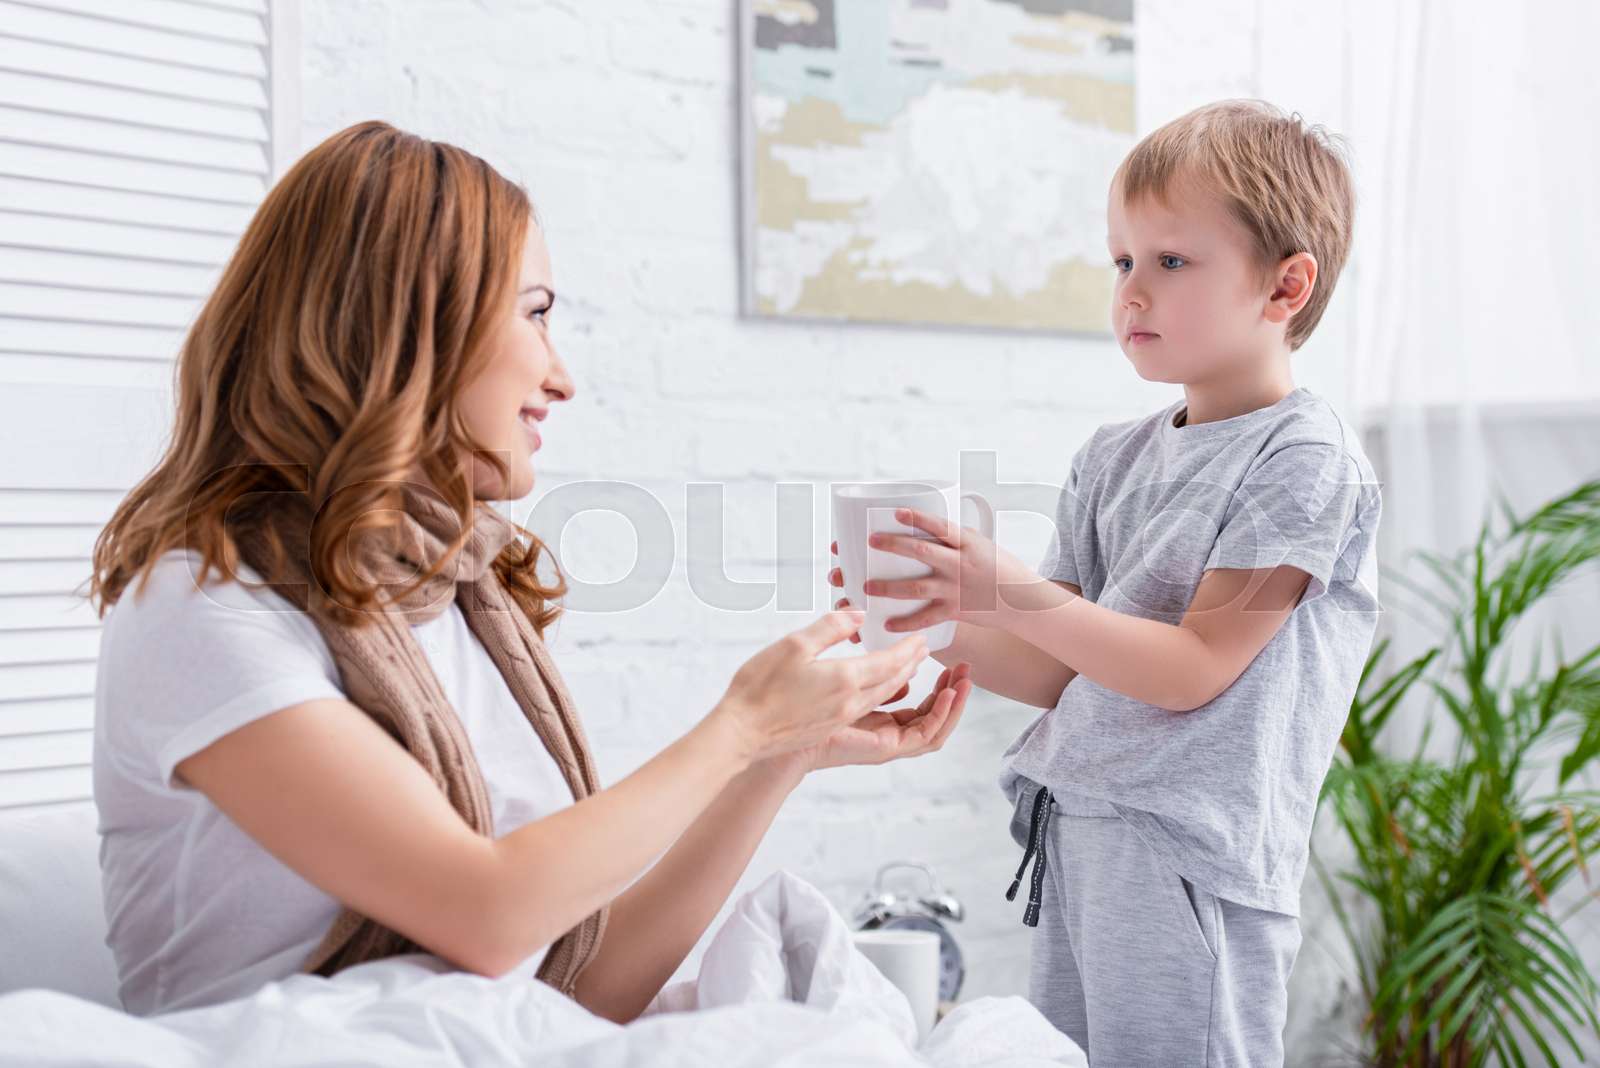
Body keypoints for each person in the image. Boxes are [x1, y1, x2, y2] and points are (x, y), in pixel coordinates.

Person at [86, 120, 974, 1020]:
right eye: (537, 313)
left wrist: (778, 757)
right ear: (411, 326)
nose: (561, 377)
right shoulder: (202, 607)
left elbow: (574, 993)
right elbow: (485, 913)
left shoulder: (457, 601)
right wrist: (738, 727)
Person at [831, 99, 1382, 1064]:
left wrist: (1005, 591)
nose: (1132, 293)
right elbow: (1059, 670)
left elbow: (1194, 668)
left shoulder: (1305, 459)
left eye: (1171, 262)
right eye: (1122, 262)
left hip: (1188, 856)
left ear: (1285, 287)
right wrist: (938, 616)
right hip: (1079, 829)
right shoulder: (1112, 456)